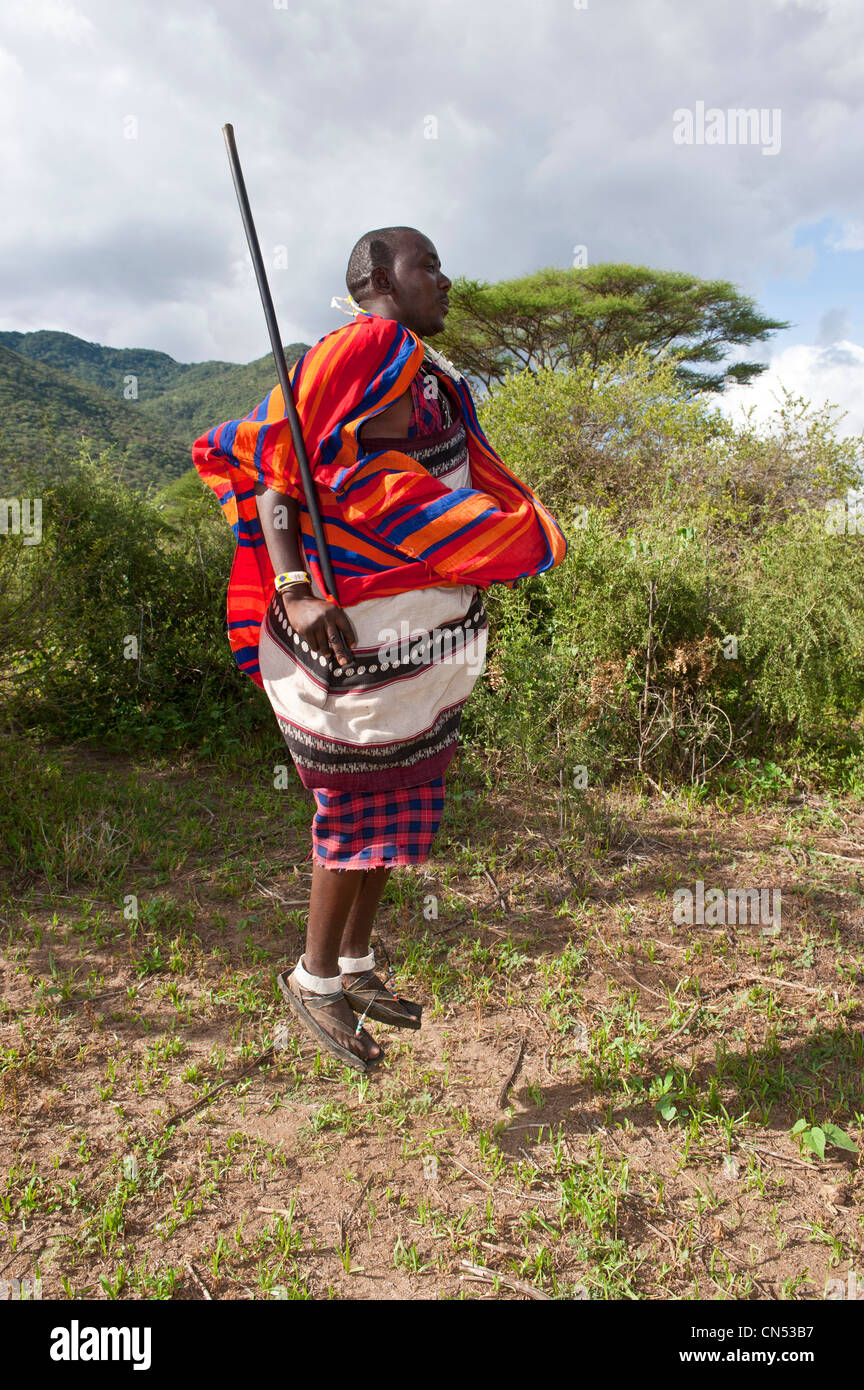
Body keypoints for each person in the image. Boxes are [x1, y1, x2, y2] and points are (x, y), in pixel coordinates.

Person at [192, 226, 567, 1073]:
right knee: (357, 811)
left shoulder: (420, 370)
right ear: (375, 279)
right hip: (349, 646)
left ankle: (357, 966)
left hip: (412, 654)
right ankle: (313, 977)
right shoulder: (365, 346)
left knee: (400, 802)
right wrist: (295, 586)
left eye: (438, 263)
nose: (443, 278)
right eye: (424, 265)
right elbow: (279, 478)